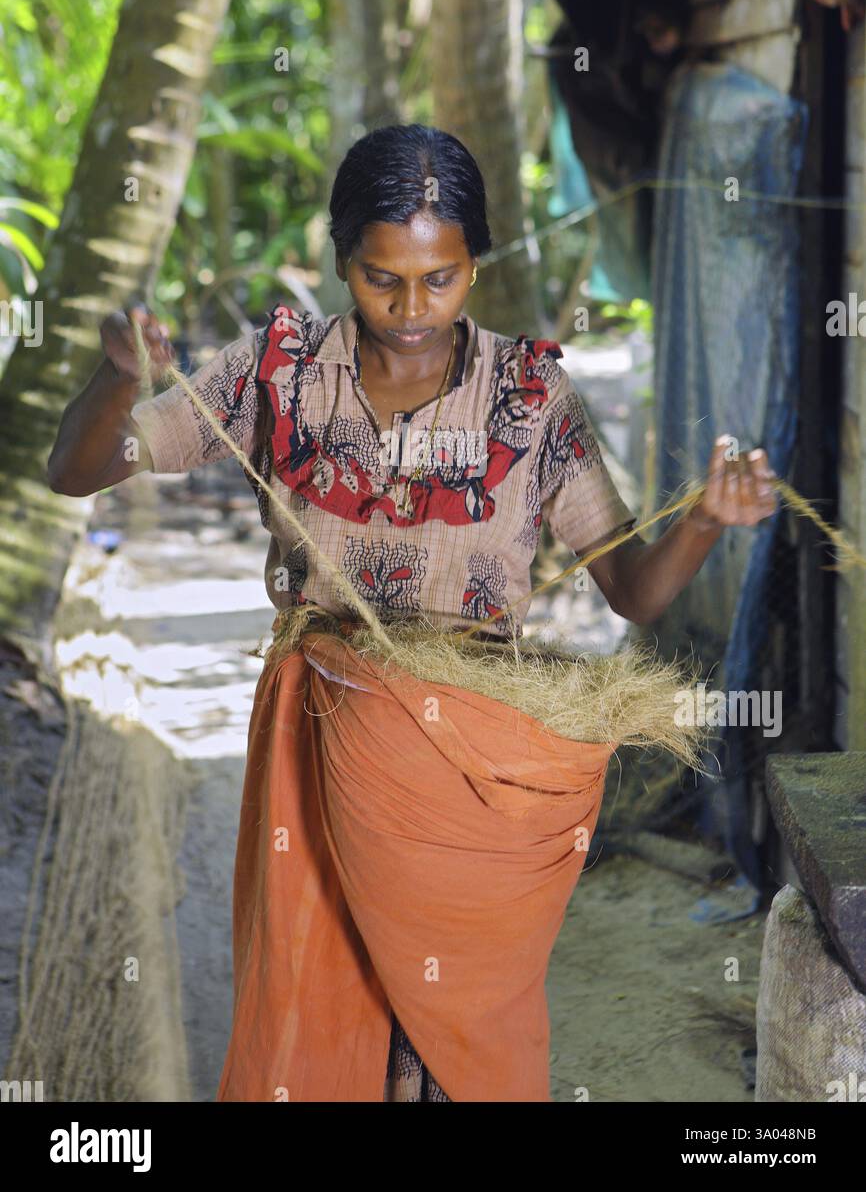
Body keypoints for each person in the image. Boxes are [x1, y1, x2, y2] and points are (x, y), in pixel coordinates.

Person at [47, 123, 777, 1102]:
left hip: (467, 762)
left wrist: (703, 521)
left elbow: (633, 589)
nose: (409, 307)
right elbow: (79, 466)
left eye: (440, 278)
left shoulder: (528, 398)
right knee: (328, 990)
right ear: (342, 259)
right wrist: (124, 376)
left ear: (474, 263)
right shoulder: (282, 370)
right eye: (380, 277)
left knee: (458, 1025)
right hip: (321, 736)